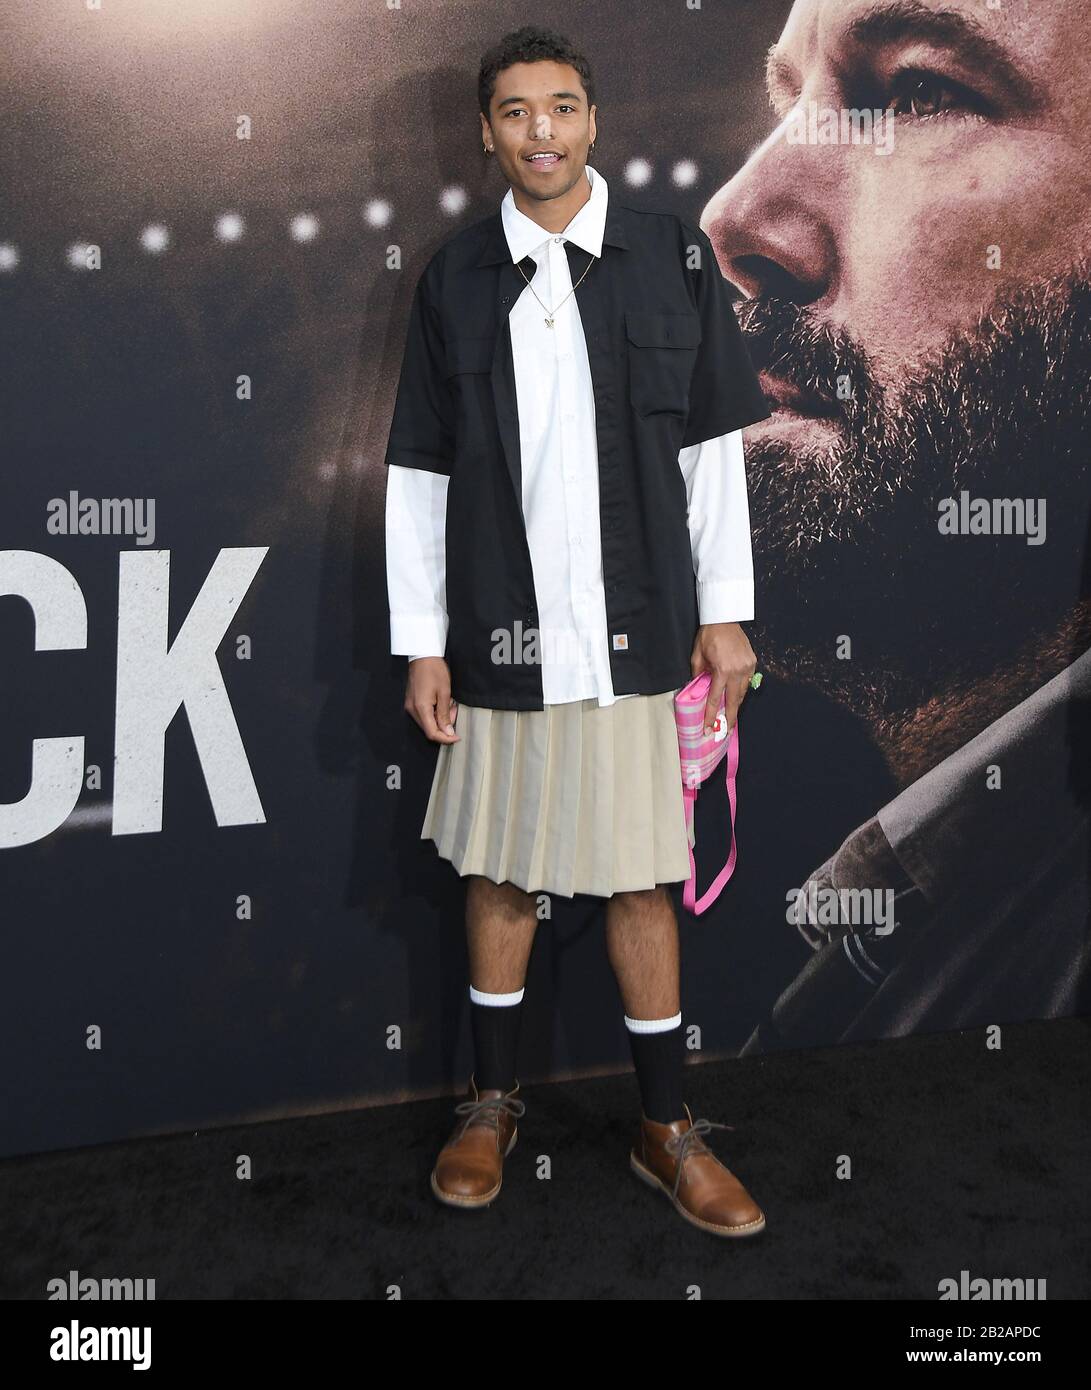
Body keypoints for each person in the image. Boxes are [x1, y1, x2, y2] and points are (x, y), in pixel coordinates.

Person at [383, 25, 771, 1236]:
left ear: (592, 123)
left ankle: (663, 1126)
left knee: (639, 882)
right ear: (487, 132)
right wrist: (425, 641)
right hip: (500, 639)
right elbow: (418, 475)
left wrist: (724, 618)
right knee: (498, 871)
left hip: (638, 630)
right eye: (513, 111)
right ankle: (490, 1103)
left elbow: (711, 455)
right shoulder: (452, 277)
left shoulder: (673, 259)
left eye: (559, 106)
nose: (538, 130)